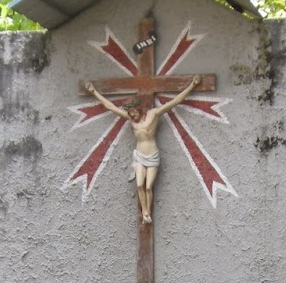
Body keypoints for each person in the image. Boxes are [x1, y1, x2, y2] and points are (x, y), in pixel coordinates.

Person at [85, 76, 202, 224]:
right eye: (130, 113)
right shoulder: (131, 120)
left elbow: (175, 102)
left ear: (139, 109)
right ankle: (145, 212)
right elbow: (111, 107)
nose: (132, 115)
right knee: (139, 184)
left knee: (148, 187)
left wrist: (192, 85)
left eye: (134, 111)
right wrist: (93, 91)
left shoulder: (154, 114)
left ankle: (148, 212)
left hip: (152, 155)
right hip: (139, 156)